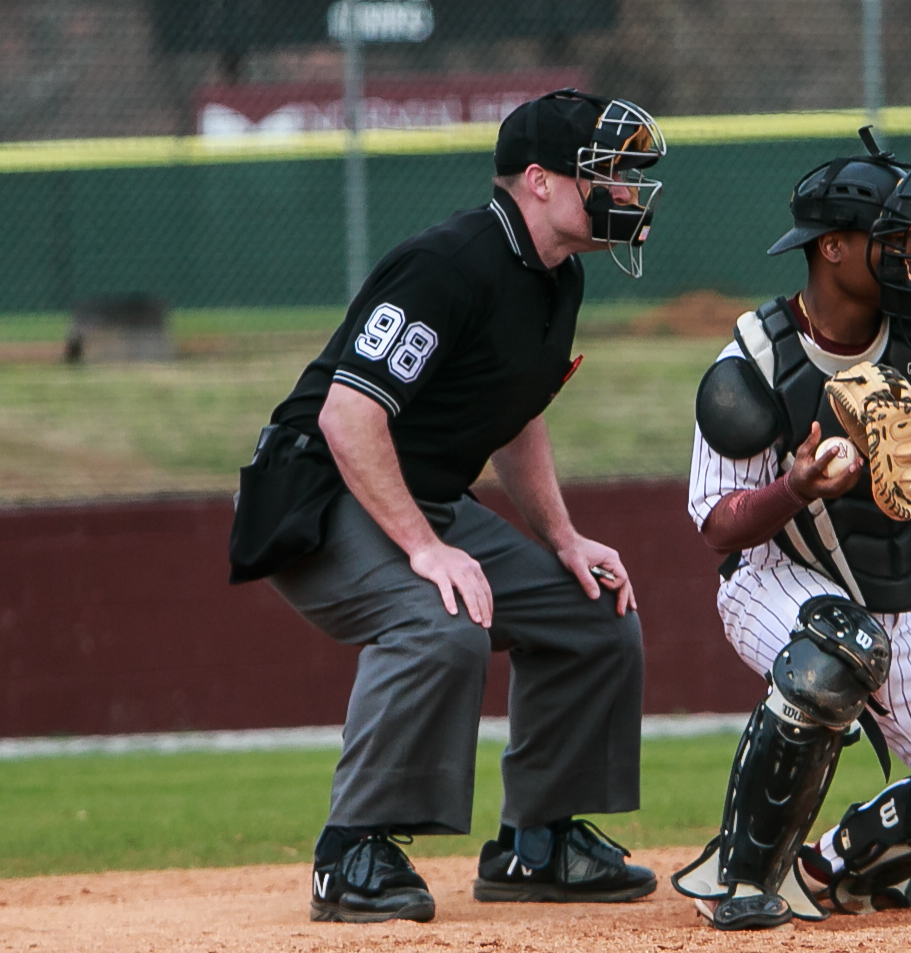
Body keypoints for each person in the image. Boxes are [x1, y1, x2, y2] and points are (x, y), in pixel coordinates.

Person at [227, 89, 667, 924]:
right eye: (606, 175)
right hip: (318, 493)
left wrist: (564, 537)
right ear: (537, 181)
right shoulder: (448, 262)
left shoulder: (556, 276)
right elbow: (348, 415)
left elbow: (518, 413)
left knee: (593, 612)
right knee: (441, 619)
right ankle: (351, 850)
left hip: (414, 494)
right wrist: (426, 549)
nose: (625, 193)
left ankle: (536, 844)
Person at [669, 129, 911, 931]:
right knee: (836, 648)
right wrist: (797, 484)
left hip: (894, 601)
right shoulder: (756, 361)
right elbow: (718, 526)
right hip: (775, 580)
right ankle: (740, 876)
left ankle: (828, 864)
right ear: (833, 248)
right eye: (901, 239)